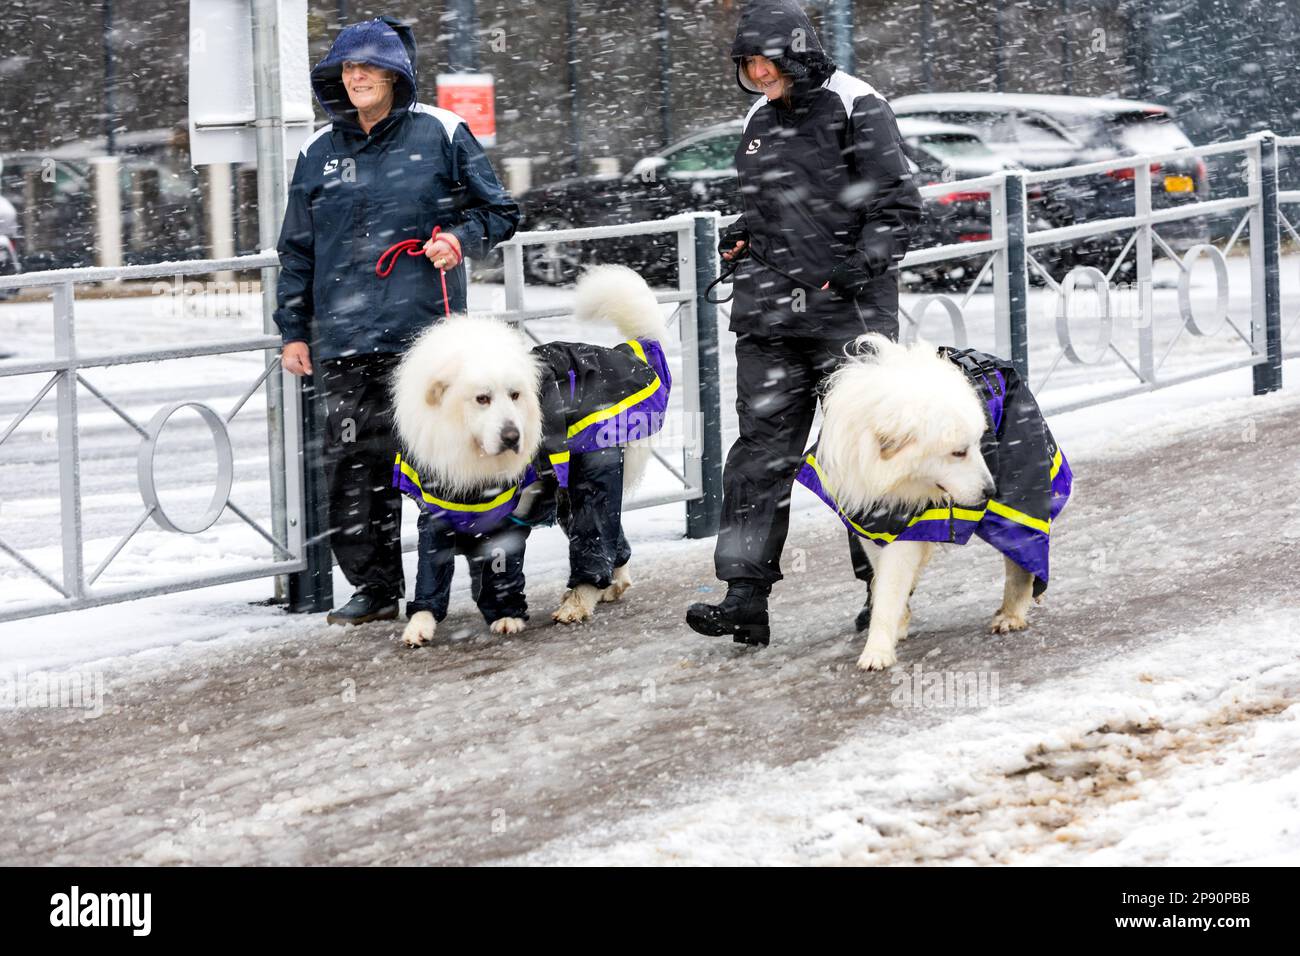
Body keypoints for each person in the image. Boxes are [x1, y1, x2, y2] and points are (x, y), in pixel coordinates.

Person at [686, 0, 923, 646]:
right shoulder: (760, 117)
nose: (757, 74)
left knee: (861, 456)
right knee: (759, 457)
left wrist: (858, 267)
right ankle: (742, 597)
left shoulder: (858, 104)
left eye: (765, 61)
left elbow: (899, 206)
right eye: (747, 64)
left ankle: (884, 591)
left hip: (848, 316)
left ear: (798, 54)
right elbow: (769, 210)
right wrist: (742, 236)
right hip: (767, 316)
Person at [275, 16, 520, 625]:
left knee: (445, 457)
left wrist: (460, 238)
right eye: (346, 67)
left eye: (369, 66)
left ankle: (478, 587)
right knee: (355, 466)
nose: (356, 76)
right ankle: (377, 589)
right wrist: (293, 329)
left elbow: (500, 210)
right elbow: (297, 249)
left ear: (395, 75)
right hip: (344, 338)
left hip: (427, 338)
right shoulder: (317, 150)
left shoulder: (441, 131)